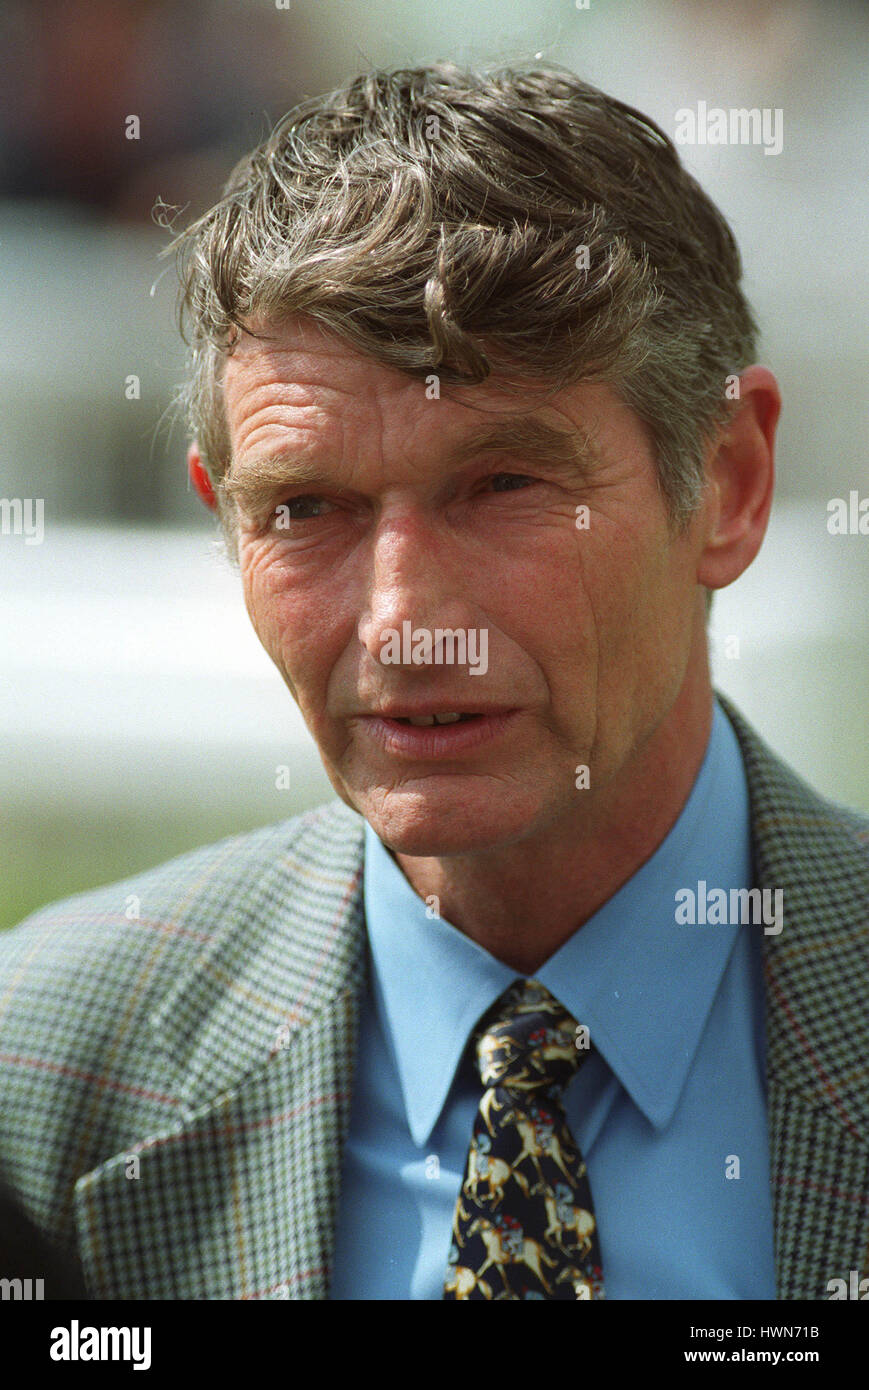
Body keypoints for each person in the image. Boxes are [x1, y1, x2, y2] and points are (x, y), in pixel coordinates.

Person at [0, 62, 866, 1302]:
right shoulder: (41, 1081)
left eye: (504, 485)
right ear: (225, 527)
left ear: (725, 482)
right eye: (305, 511)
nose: (405, 622)